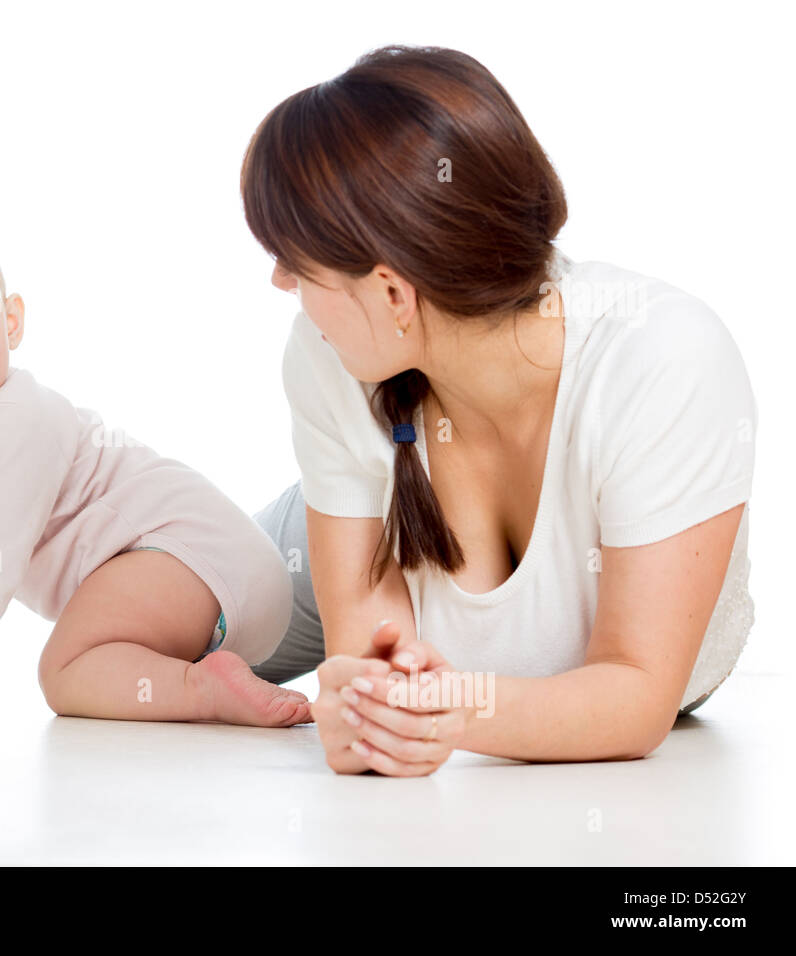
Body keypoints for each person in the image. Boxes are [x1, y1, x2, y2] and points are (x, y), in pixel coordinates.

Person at [242, 46, 757, 775]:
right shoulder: (328, 360)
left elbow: (636, 698)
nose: (278, 280)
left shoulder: (665, 363)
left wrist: (444, 709)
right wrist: (364, 711)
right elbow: (365, 663)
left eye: (294, 262)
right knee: (156, 611)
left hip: (389, 515)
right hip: (338, 518)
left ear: (392, 294)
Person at [0, 203, 307, 727]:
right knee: (87, 669)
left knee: (63, 671)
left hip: (197, 559)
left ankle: (204, 688)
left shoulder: (15, 419)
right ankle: (194, 682)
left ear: (12, 322)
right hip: (191, 589)